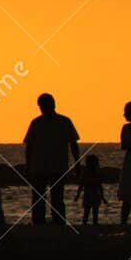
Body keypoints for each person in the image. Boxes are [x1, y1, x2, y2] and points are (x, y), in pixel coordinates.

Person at [23, 93, 80, 224]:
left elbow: (73, 144)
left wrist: (77, 163)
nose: (44, 108)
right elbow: (29, 146)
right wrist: (28, 165)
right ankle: (39, 222)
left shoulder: (64, 121)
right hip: (39, 165)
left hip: (57, 165)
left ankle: (58, 222)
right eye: (42, 105)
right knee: (39, 197)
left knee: (57, 197)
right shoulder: (36, 123)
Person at [75, 155, 105, 225]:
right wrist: (103, 197)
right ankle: (92, 224)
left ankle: (86, 224)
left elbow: (81, 185)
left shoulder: (86, 173)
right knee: (93, 213)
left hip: (89, 195)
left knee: (88, 212)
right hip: (93, 195)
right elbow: (100, 186)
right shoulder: (96, 173)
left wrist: (77, 195)